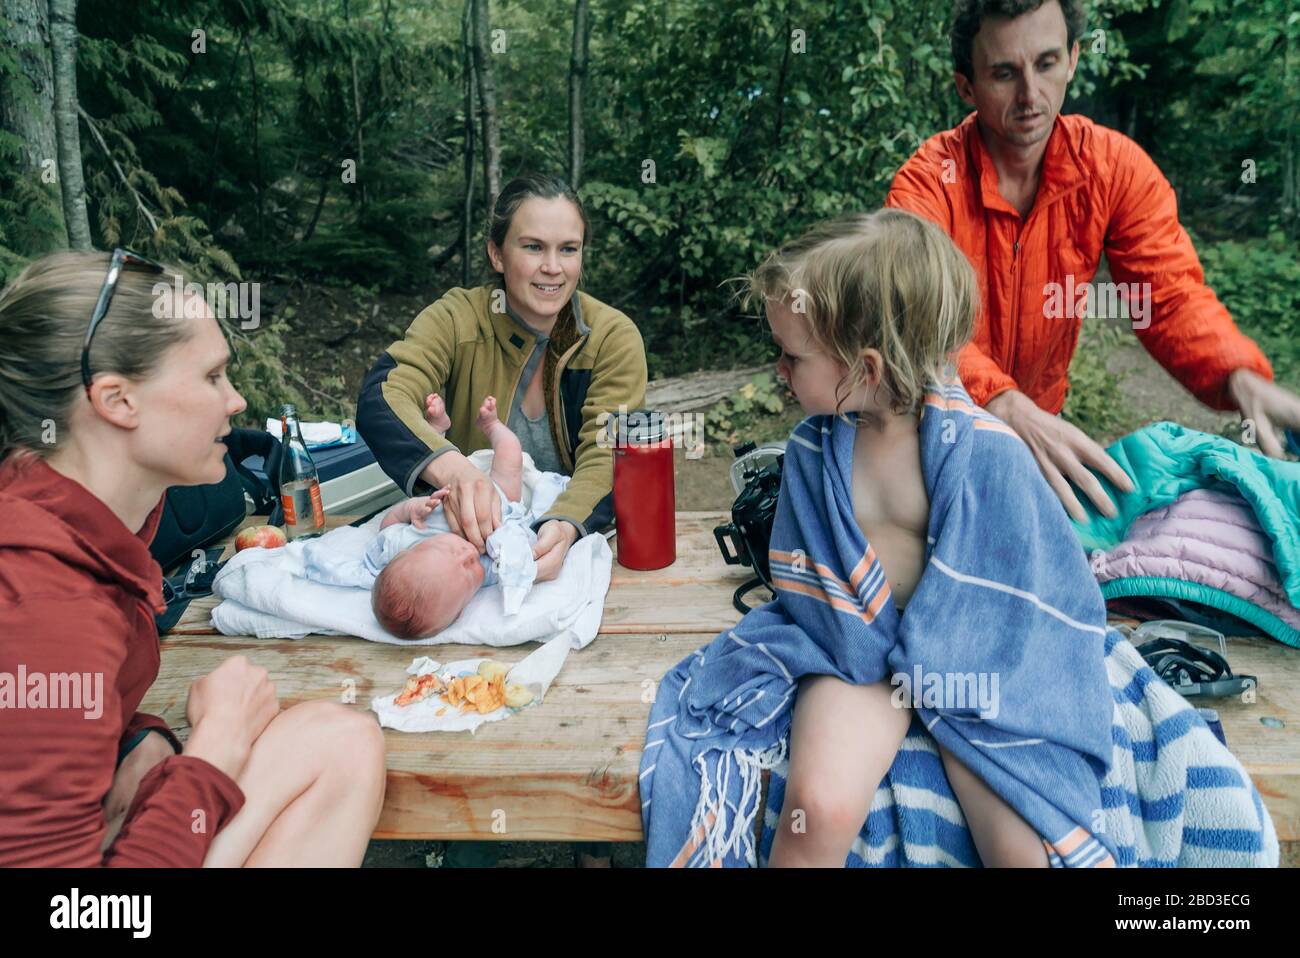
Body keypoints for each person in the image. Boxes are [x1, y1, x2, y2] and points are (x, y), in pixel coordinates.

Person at [0, 250, 386, 866]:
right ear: (117, 400)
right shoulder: (46, 612)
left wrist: (140, 746)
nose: (234, 402)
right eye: (211, 377)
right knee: (338, 751)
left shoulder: (70, 523)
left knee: (340, 738)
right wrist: (213, 751)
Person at [752, 208, 1098, 866]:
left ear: (867, 367)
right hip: (859, 650)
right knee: (811, 817)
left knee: (1020, 848)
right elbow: (812, 586)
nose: (779, 369)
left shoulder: (988, 455)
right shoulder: (811, 453)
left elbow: (1037, 589)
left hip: (975, 660)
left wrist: (953, 659)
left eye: (793, 355)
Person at [885, 0, 1300, 522]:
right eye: (1004, 73)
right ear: (966, 85)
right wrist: (1003, 404)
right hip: (932, 432)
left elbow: (1166, 296)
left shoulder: (1113, 168)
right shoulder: (927, 184)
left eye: (1047, 63)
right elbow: (911, 322)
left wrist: (1238, 373)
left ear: (1074, 58)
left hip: (1040, 427)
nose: (1031, 95)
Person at [356, 172, 648, 867]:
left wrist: (570, 524)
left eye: (569, 249)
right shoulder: (456, 318)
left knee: (590, 678)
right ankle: (464, 840)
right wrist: (452, 467)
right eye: (533, 246)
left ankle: (592, 836)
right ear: (496, 252)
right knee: (465, 692)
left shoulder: (610, 336)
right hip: (467, 545)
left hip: (570, 540)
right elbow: (382, 393)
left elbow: (610, 454)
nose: (553, 268)